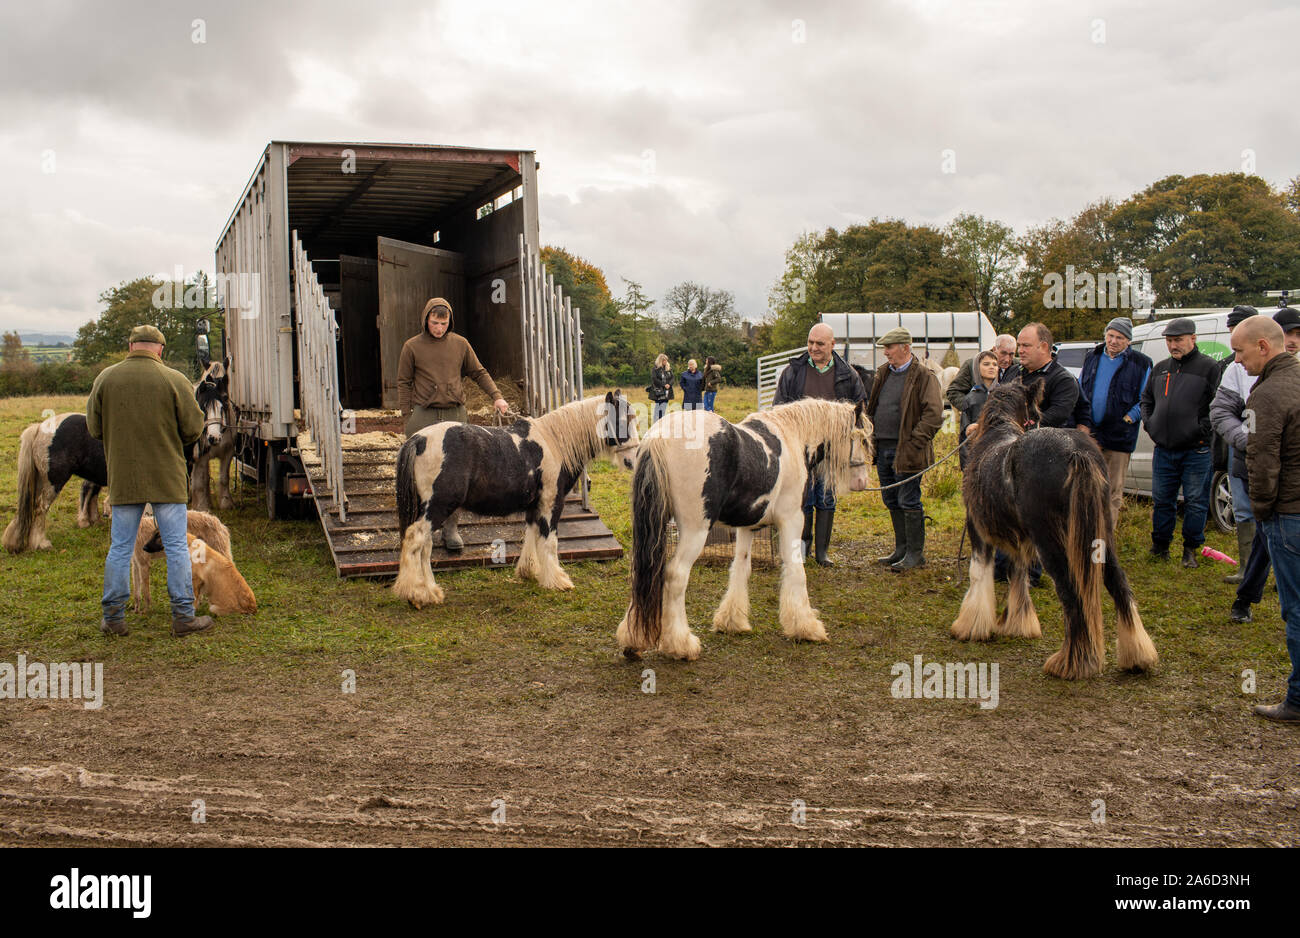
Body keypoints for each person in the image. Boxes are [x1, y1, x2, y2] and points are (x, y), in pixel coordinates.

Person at [86, 325, 211, 637]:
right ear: (160, 349)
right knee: (177, 547)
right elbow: (194, 429)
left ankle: (114, 619)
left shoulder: (105, 378)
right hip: (167, 478)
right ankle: (183, 617)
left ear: (130, 346)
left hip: (123, 477)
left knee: (120, 547)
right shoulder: (175, 379)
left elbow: (94, 428)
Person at [1231, 316, 1300, 723]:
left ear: (1263, 346)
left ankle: (1298, 699)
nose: (1236, 360)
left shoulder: (1268, 394)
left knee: (1296, 609)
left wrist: (1262, 509)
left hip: (1288, 514)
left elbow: (1261, 459)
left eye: (1239, 351)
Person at [397, 297, 508, 551]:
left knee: (458, 476)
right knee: (419, 474)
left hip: (455, 415)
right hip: (424, 415)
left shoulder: (460, 344)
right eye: (435, 323)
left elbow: (478, 372)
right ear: (426, 319)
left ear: (450, 321)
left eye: (443, 323)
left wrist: (497, 396)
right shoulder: (411, 346)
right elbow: (403, 381)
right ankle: (419, 530)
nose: (439, 328)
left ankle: (451, 530)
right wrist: (406, 415)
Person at [773, 322, 867, 565]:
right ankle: (801, 550)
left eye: (820, 344)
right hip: (800, 447)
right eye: (810, 342)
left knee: (826, 498)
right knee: (802, 499)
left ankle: (822, 552)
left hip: (832, 450)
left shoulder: (848, 374)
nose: (813, 348)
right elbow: (779, 407)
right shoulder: (793, 372)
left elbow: (860, 411)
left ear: (833, 345)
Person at [1140, 317, 1219, 567]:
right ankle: (1160, 546)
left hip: (1196, 449)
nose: (1173, 345)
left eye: (1178, 340)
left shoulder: (1209, 367)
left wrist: (1200, 429)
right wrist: (1150, 424)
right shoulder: (1161, 368)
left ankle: (1190, 549)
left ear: (1193, 339)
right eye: (1169, 340)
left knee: (1195, 501)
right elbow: (1146, 399)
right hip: (1164, 448)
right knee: (1163, 499)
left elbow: (1217, 405)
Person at [866, 327, 944, 571]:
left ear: (905, 348)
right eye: (885, 349)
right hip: (883, 447)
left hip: (907, 450)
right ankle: (901, 549)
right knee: (890, 498)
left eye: (890, 348)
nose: (886, 353)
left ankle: (915, 554)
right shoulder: (882, 374)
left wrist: (914, 443)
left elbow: (933, 414)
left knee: (909, 499)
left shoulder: (923, 375)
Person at [1076, 318, 1153, 528]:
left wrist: (1130, 417)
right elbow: (1081, 390)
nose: (1114, 341)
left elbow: (1145, 398)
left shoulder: (1141, 363)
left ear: (1128, 341)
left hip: (1119, 437)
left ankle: (1105, 539)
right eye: (1110, 335)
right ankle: (1086, 532)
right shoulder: (1092, 357)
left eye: (1119, 337)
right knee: (1086, 487)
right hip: (1090, 433)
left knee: (1112, 490)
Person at [1210, 307, 1259, 584]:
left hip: (1281, 452)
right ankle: (1248, 569)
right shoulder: (1233, 367)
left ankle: (1282, 571)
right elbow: (1219, 409)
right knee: (1242, 507)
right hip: (1241, 449)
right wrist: (1241, 438)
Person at [1001, 323, 1080, 428]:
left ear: (1043, 347)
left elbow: (1056, 417)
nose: (1020, 351)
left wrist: (1020, 425)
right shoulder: (1012, 371)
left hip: (1042, 442)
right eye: (1019, 345)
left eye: (1026, 345)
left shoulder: (1063, 380)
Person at [945, 334, 1016, 408]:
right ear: (994, 349)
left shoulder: (1019, 367)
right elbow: (954, 392)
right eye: (1003, 353)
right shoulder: (972, 365)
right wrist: (971, 406)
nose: (1007, 359)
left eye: (1011, 354)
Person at [957, 351, 999, 470]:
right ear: (976, 368)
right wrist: (967, 466)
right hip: (978, 457)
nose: (991, 367)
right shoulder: (971, 398)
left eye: (995, 364)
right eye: (986, 364)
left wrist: (981, 426)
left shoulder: (1004, 395)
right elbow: (964, 435)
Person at [648, 353, 673, 425]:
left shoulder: (668, 368)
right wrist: (664, 384)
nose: (665, 362)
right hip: (658, 392)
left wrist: (669, 384)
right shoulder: (655, 369)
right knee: (658, 408)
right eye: (664, 361)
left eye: (666, 361)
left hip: (667, 392)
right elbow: (654, 379)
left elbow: (672, 378)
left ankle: (661, 423)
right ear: (660, 361)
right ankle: (656, 423)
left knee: (664, 408)